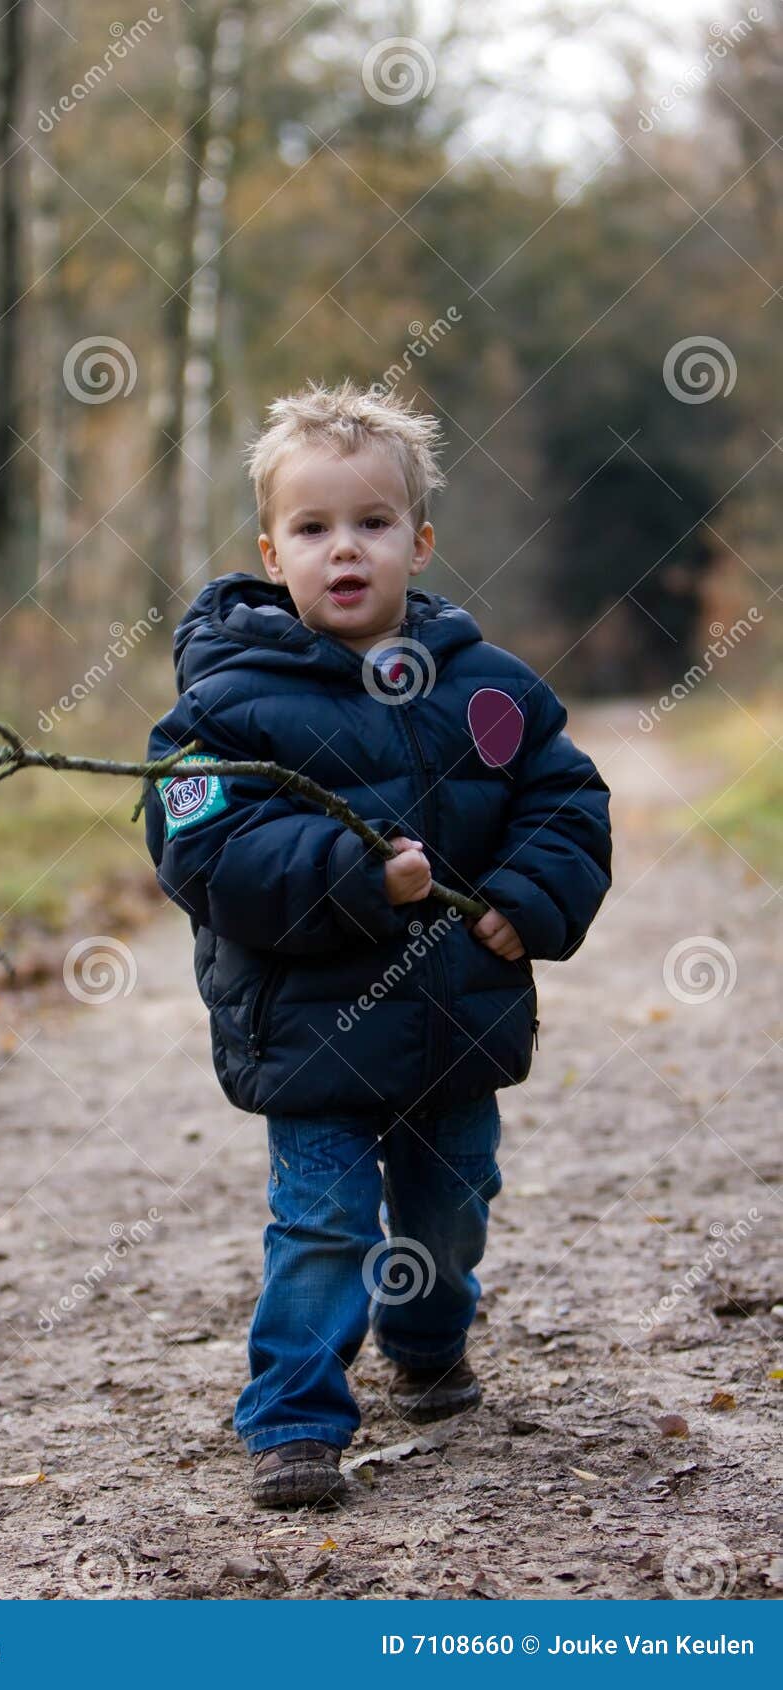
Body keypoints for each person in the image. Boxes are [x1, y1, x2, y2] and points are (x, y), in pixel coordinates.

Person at [143, 378, 612, 1508]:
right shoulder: (225, 706)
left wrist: (522, 896)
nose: (342, 550)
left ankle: (427, 1336)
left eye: (370, 523)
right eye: (312, 528)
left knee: (449, 1206)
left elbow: (564, 801)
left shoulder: (487, 693)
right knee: (321, 1222)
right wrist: (353, 877)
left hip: (456, 1015)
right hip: (313, 1034)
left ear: (419, 539)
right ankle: (295, 1416)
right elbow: (199, 843)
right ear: (271, 548)